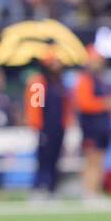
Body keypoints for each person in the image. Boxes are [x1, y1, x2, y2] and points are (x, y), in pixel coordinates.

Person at [73, 45, 111, 200]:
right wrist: (106, 103)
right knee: (92, 160)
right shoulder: (85, 79)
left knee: (100, 161)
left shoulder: (101, 80)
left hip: (103, 126)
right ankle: (89, 192)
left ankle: (96, 191)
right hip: (91, 126)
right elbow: (84, 103)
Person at [26, 51, 68, 196]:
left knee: (56, 159)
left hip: (58, 127)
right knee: (43, 159)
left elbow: (66, 107)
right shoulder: (39, 83)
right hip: (44, 128)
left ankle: (52, 189)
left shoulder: (60, 83)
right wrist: (37, 127)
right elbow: (34, 108)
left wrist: (66, 124)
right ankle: (38, 188)